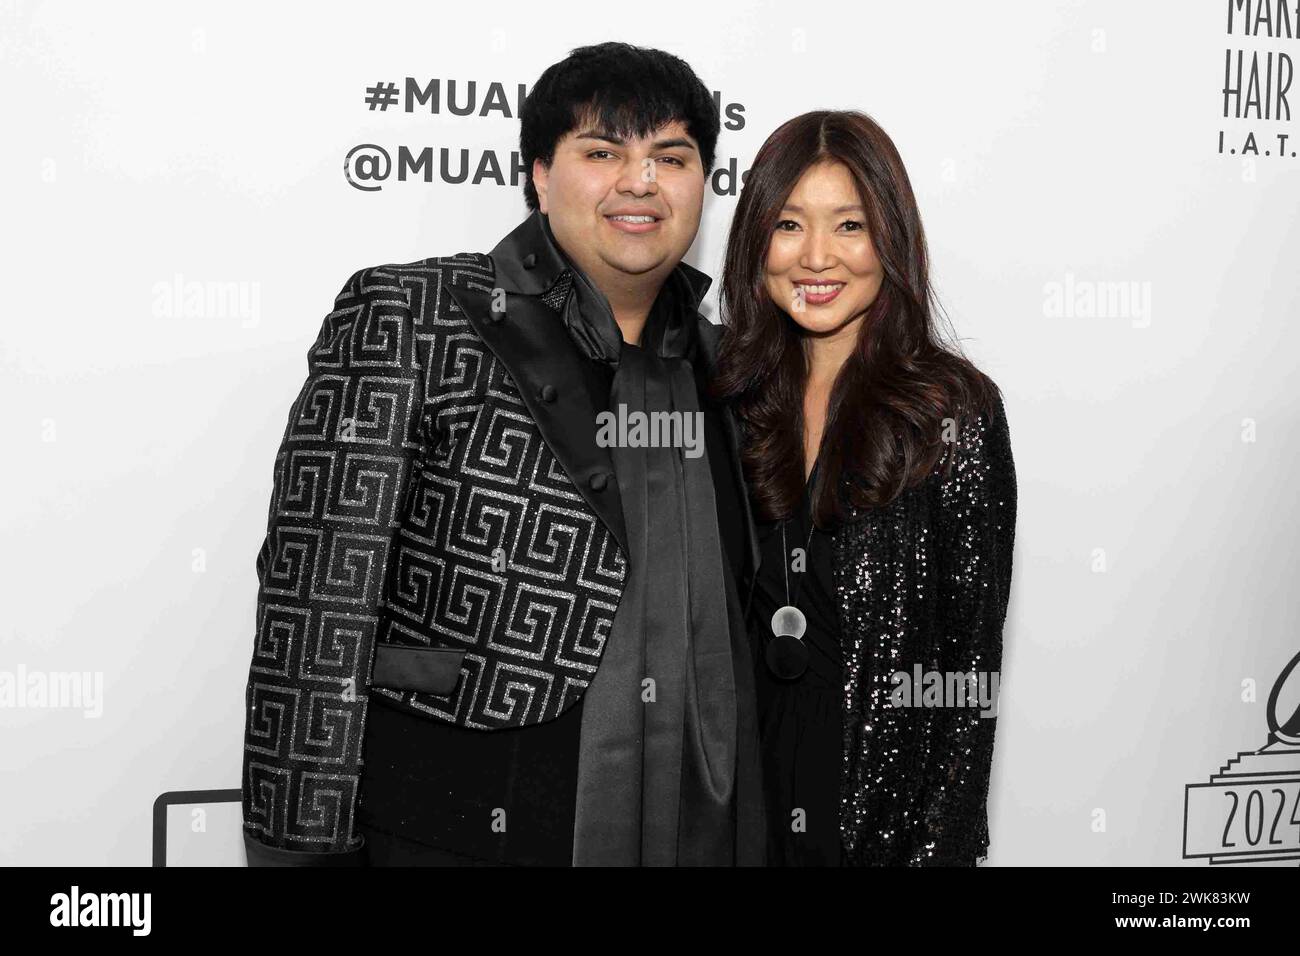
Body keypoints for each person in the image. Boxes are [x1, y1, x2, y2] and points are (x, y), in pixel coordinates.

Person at [240, 42, 765, 867]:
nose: (641, 182)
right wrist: (303, 847)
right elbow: (314, 607)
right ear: (538, 173)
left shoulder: (730, 369)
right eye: (602, 153)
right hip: (445, 817)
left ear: (705, 180)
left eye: (672, 156)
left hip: (693, 821)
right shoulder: (415, 314)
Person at [713, 110, 1017, 865]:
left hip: (870, 801)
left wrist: (938, 847)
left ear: (891, 238)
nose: (817, 257)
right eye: (789, 225)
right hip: (731, 786)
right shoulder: (728, 397)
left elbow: (969, 669)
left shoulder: (950, 412)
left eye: (848, 225)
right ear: (757, 241)